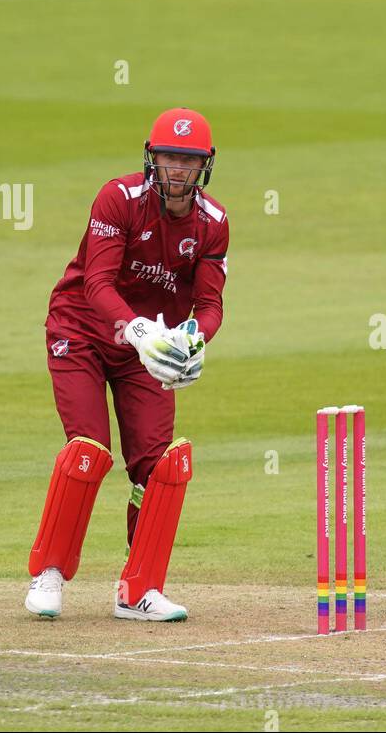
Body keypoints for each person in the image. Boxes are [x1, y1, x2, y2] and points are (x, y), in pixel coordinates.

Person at [23, 107, 230, 622]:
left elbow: (210, 306)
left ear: (204, 165)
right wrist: (137, 330)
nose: (176, 169)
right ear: (150, 157)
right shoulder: (118, 198)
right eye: (167, 157)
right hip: (82, 329)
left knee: (162, 465)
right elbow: (96, 284)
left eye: (187, 160)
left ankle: (139, 589)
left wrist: (190, 342)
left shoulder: (213, 223)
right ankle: (48, 572)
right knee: (88, 449)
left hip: (150, 346)